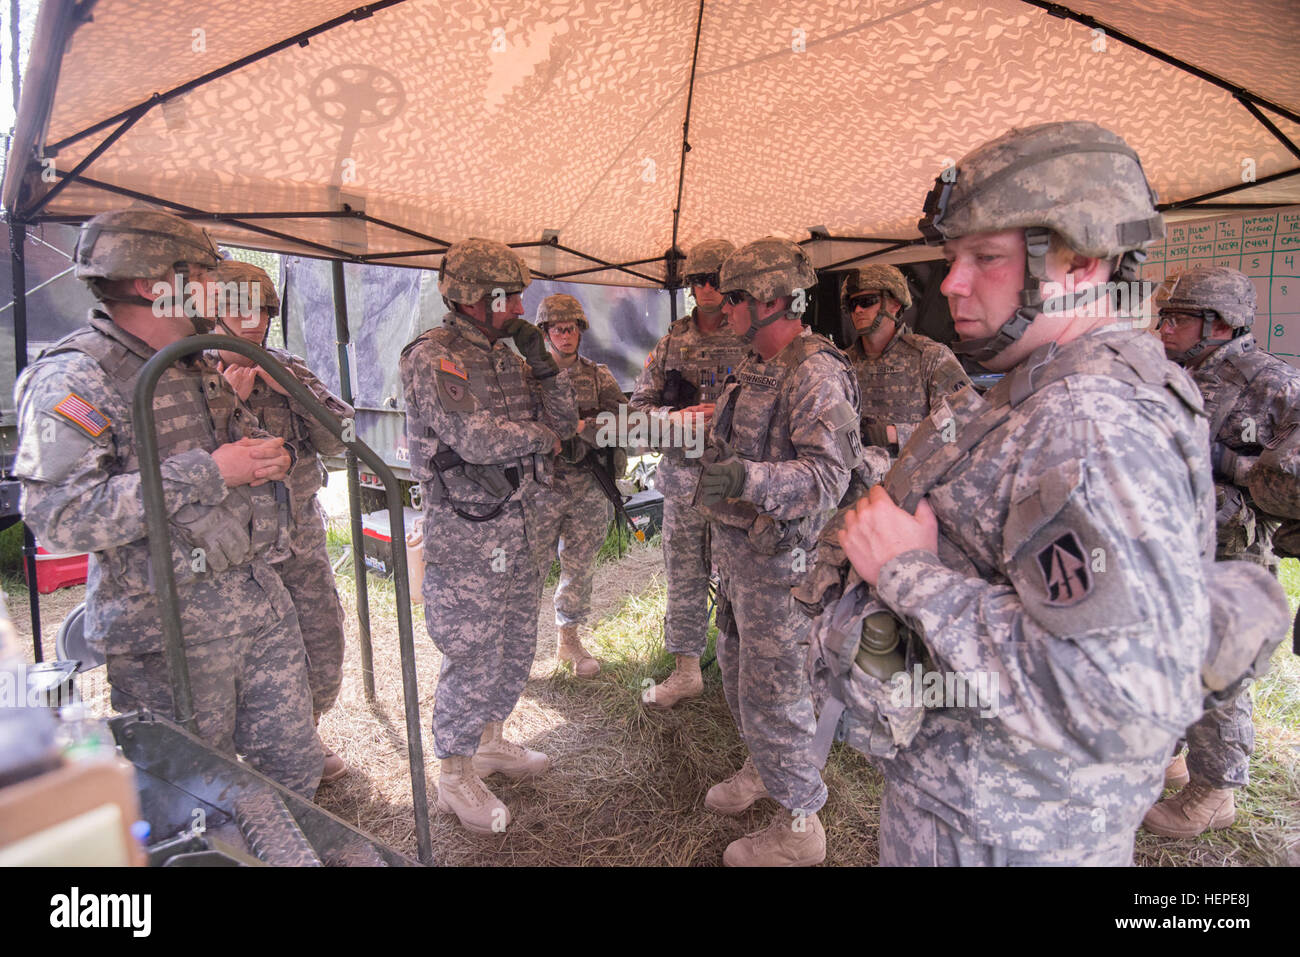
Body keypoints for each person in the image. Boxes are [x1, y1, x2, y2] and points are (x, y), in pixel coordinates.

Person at [837, 121, 1216, 864]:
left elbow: (1115, 690)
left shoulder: (1092, 418)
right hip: (988, 813)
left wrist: (907, 572)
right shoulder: (1056, 385)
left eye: (985, 258)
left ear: (1081, 262)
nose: (950, 282)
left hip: (1003, 831)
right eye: (952, 258)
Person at [13, 209, 322, 797]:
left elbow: (242, 456)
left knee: (292, 771)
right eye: (207, 271)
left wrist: (262, 462)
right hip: (166, 631)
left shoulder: (198, 363)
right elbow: (61, 517)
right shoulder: (77, 378)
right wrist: (210, 471)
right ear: (156, 284)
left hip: (257, 601)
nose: (223, 284)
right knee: (191, 794)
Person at [399, 238, 577, 834]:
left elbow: (567, 425)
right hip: (471, 534)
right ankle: (453, 771)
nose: (522, 308)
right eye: (510, 296)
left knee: (514, 639)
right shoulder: (435, 357)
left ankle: (491, 740)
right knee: (472, 649)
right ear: (474, 298)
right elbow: (476, 440)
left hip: (522, 523)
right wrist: (537, 435)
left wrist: (547, 367)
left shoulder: (512, 356)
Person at [694, 236, 861, 866]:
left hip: (786, 568)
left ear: (771, 301)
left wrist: (746, 479)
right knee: (741, 675)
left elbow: (827, 479)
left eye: (733, 297)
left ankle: (800, 827)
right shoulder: (755, 365)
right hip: (744, 560)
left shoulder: (816, 371)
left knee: (779, 693)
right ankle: (764, 769)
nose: (724, 308)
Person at [1147, 264, 1300, 836]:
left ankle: (1216, 791)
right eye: (1164, 315)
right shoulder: (1165, 374)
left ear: (1221, 323)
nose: (1165, 327)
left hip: (1232, 552)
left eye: (1180, 317)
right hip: (1167, 544)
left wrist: (1229, 464)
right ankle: (1178, 755)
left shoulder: (1274, 383)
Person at [212, 259, 355, 783]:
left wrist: (288, 387)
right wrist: (232, 404)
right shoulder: (192, 376)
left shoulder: (286, 366)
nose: (251, 321)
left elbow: (343, 435)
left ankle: (306, 733)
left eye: (261, 309)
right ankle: (261, 757)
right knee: (249, 664)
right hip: (236, 556)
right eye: (237, 308)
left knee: (322, 643)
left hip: (299, 538)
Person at [629, 239, 748, 709]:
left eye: (714, 278)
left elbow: (773, 406)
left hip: (736, 483)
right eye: (696, 280)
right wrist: (672, 420)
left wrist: (721, 412)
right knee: (683, 576)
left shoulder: (750, 335)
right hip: (682, 483)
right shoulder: (672, 340)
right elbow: (637, 412)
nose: (705, 288)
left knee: (740, 578)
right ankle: (685, 671)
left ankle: (741, 670)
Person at [526, 294, 627, 678]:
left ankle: (568, 641)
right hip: (541, 489)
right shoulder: (528, 377)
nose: (566, 336)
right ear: (545, 332)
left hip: (587, 487)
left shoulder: (598, 375)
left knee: (579, 567)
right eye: (558, 328)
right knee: (528, 569)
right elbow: (520, 424)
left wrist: (584, 429)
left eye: (571, 328)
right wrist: (553, 433)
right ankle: (519, 653)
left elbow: (623, 420)